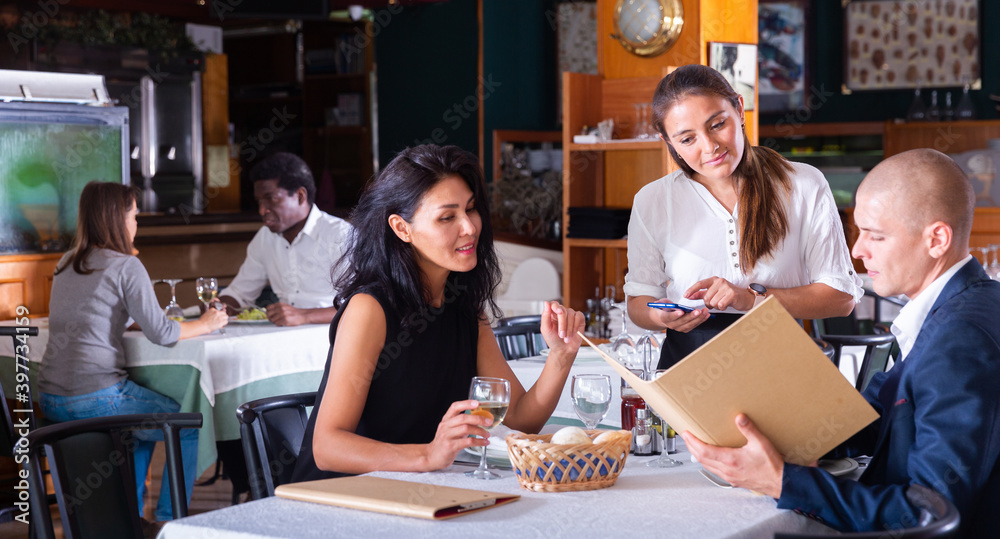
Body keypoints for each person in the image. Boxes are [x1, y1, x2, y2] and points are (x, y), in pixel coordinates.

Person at [684, 149, 1000, 536]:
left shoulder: (960, 339)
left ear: (936, 239)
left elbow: (929, 514)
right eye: (859, 231)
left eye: (876, 236)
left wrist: (781, 482)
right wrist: (769, 430)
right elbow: (872, 414)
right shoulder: (967, 303)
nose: (857, 250)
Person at [291, 145, 585, 481]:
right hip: (342, 497)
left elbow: (521, 417)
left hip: (415, 488)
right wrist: (429, 454)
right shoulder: (369, 310)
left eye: (471, 209)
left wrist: (560, 356)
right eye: (447, 217)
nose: (470, 227)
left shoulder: (464, 308)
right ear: (402, 228)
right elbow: (327, 448)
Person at [624, 64, 862, 369]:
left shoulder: (803, 184)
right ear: (669, 142)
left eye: (717, 124)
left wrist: (750, 299)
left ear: (739, 108)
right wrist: (660, 317)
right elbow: (639, 301)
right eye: (687, 139)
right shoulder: (652, 200)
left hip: (780, 365)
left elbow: (842, 298)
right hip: (687, 370)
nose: (709, 147)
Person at [38, 182, 229, 526]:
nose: (137, 223)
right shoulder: (125, 266)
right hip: (95, 399)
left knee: (138, 423)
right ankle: (172, 522)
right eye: (135, 215)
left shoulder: (68, 262)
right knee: (186, 423)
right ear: (118, 219)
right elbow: (164, 333)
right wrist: (207, 322)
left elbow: (101, 314)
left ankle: (132, 515)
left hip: (50, 399)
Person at [218, 152, 353, 326]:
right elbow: (240, 293)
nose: (262, 210)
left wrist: (305, 316)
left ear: (300, 196)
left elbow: (361, 304)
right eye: (259, 201)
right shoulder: (265, 237)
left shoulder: (340, 235)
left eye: (271, 200)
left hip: (333, 341)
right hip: (283, 338)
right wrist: (219, 306)